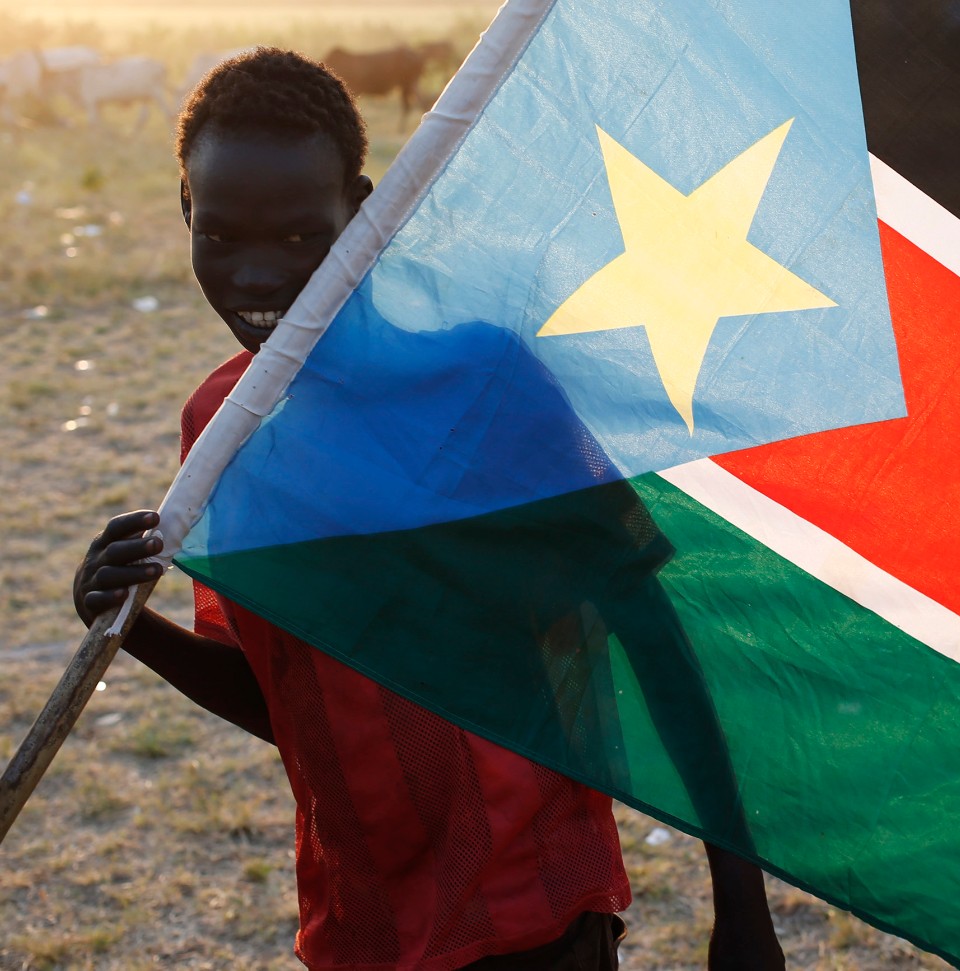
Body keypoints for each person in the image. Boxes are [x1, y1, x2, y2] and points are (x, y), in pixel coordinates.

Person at [73, 48, 784, 971]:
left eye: (299, 238)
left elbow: (653, 638)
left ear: (362, 209)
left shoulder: (485, 387)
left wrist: (742, 906)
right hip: (361, 930)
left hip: (534, 917)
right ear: (184, 214)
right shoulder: (222, 430)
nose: (255, 277)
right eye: (220, 236)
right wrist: (132, 627)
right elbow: (292, 704)